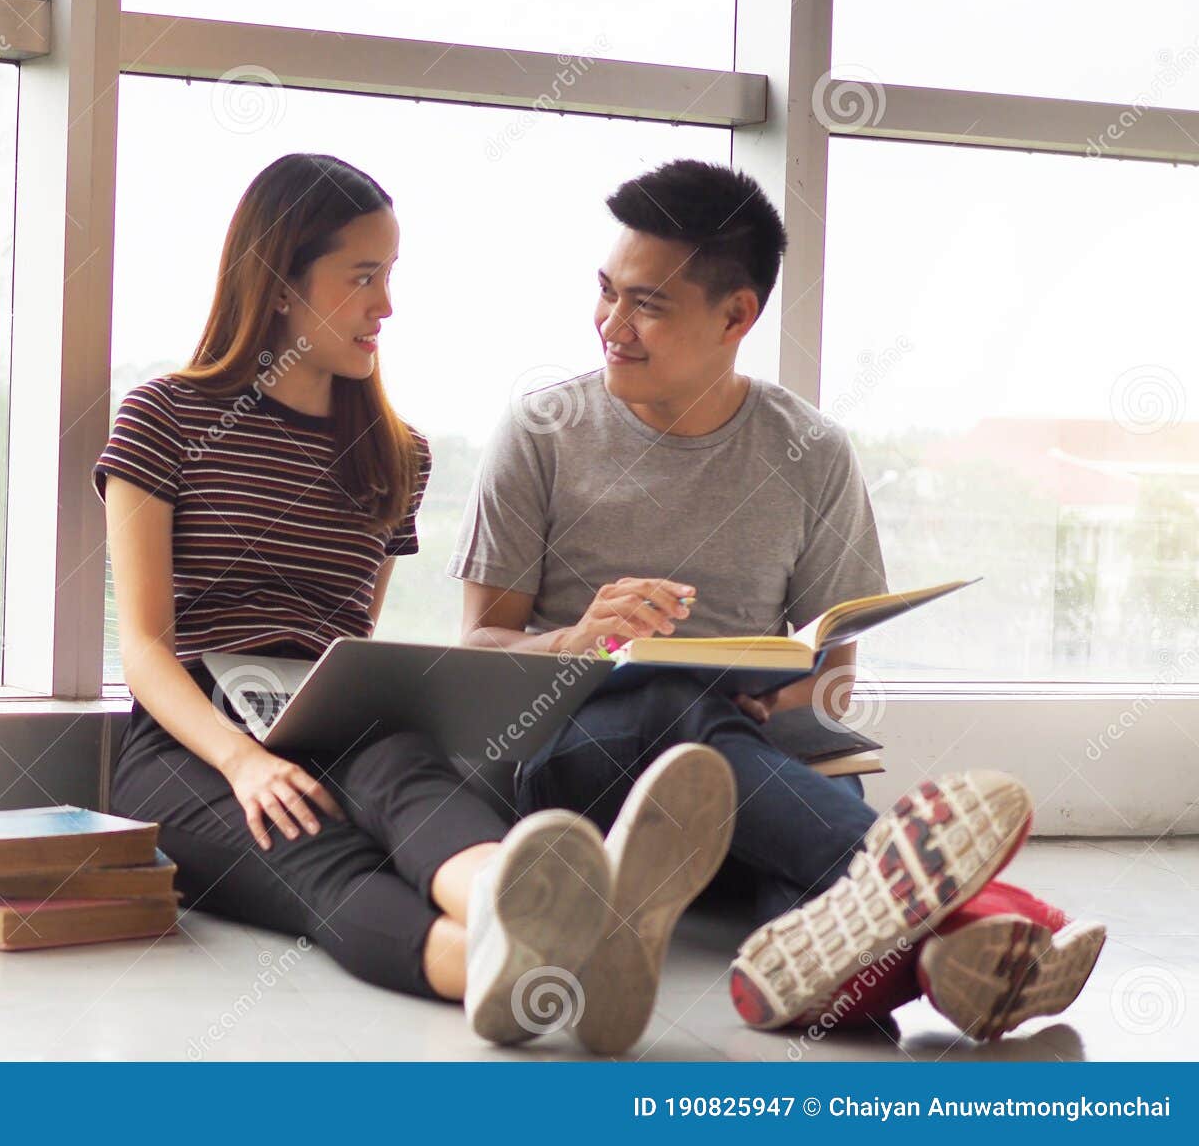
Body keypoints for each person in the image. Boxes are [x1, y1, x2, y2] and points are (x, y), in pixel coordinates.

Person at [451, 158, 1103, 1044]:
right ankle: (977, 907)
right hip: (569, 775)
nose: (612, 325)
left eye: (646, 304)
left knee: (791, 868)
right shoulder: (541, 432)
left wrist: (786, 692)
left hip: (733, 781)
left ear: (736, 316)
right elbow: (474, 653)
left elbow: (832, 680)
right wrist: (576, 638)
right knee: (669, 705)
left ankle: (946, 959)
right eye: (606, 293)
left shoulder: (812, 451)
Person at [97, 152, 722, 1052]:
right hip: (191, 738)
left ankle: (552, 918)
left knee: (408, 773)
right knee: (321, 857)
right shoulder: (162, 418)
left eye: (390, 276)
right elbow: (147, 648)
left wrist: (567, 642)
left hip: (325, 712)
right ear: (278, 283)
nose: (386, 304)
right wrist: (243, 763)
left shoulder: (397, 454)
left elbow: (350, 642)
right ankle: (550, 960)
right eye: (363, 277)